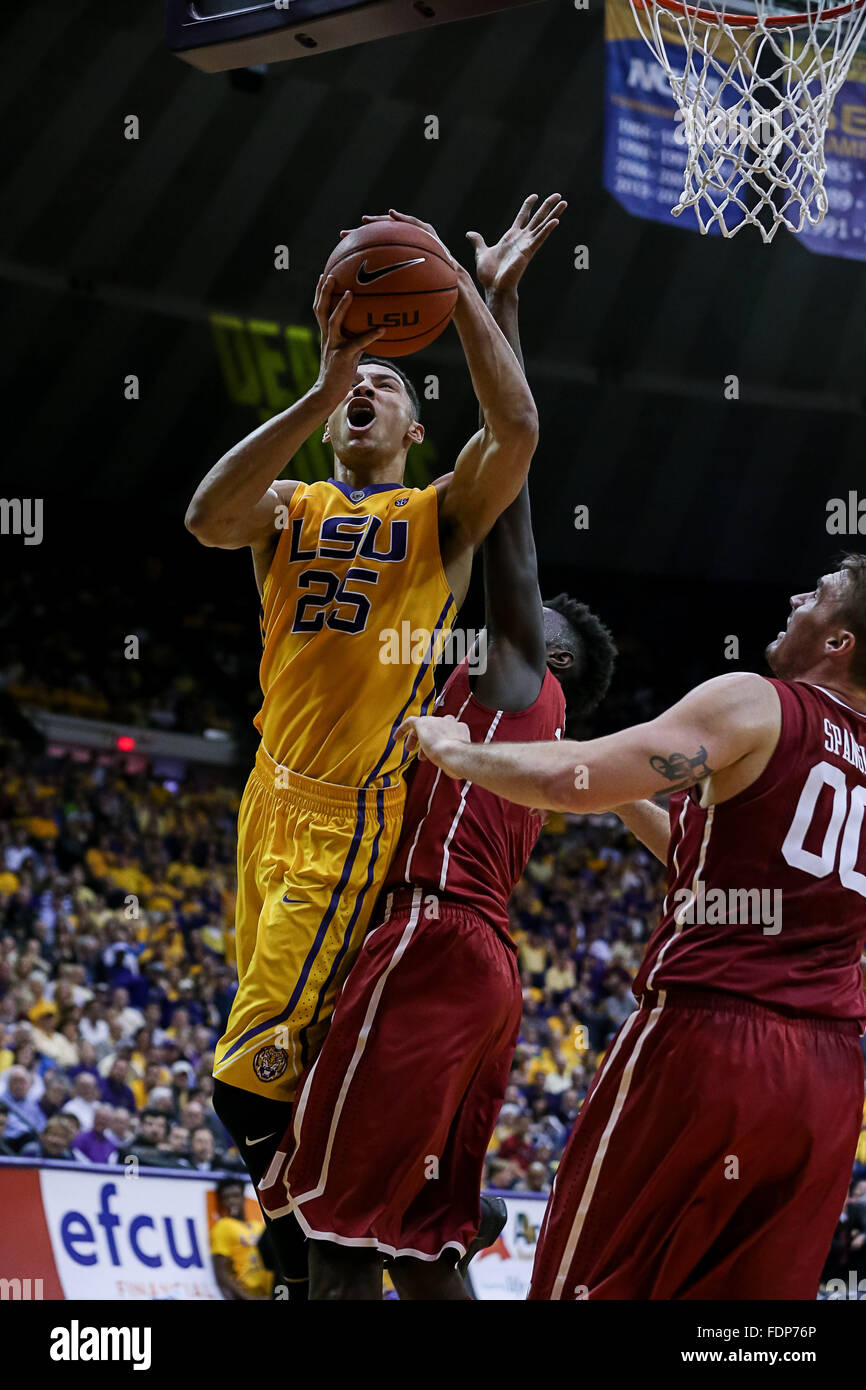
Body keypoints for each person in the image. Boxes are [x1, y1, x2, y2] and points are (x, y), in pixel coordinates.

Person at [259, 197, 616, 1300]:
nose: (514, 614)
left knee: (329, 1242)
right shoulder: (509, 713)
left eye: (531, 616)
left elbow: (511, 520)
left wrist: (489, 298)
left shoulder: (522, 675)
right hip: (480, 970)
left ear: (550, 654)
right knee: (424, 1247)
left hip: (424, 937)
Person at [185, 211, 538, 1250]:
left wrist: (469, 294)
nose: (369, 390)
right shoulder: (287, 505)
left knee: (243, 1083)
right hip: (266, 795)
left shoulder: (438, 515)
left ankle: (318, 1248)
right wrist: (318, 386)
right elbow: (207, 517)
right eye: (360, 386)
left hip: (351, 817)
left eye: (389, 385)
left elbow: (514, 431)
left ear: (415, 430)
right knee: (280, 1077)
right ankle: (340, 1251)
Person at [402, 557, 866, 1300]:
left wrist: (454, 750)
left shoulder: (758, 702)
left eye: (817, 594)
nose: (795, 596)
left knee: (591, 1282)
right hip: (829, 1081)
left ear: (838, 641)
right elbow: (704, 856)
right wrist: (628, 799)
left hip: (710, 1043)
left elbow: (566, 780)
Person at [209, 1178, 273, 1301]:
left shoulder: (259, 1226)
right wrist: (246, 1297)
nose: (231, 1201)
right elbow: (221, 1272)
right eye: (226, 1197)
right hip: (249, 1293)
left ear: (243, 1198)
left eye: (235, 1196)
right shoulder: (223, 1226)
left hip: (272, 1291)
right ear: (221, 1202)